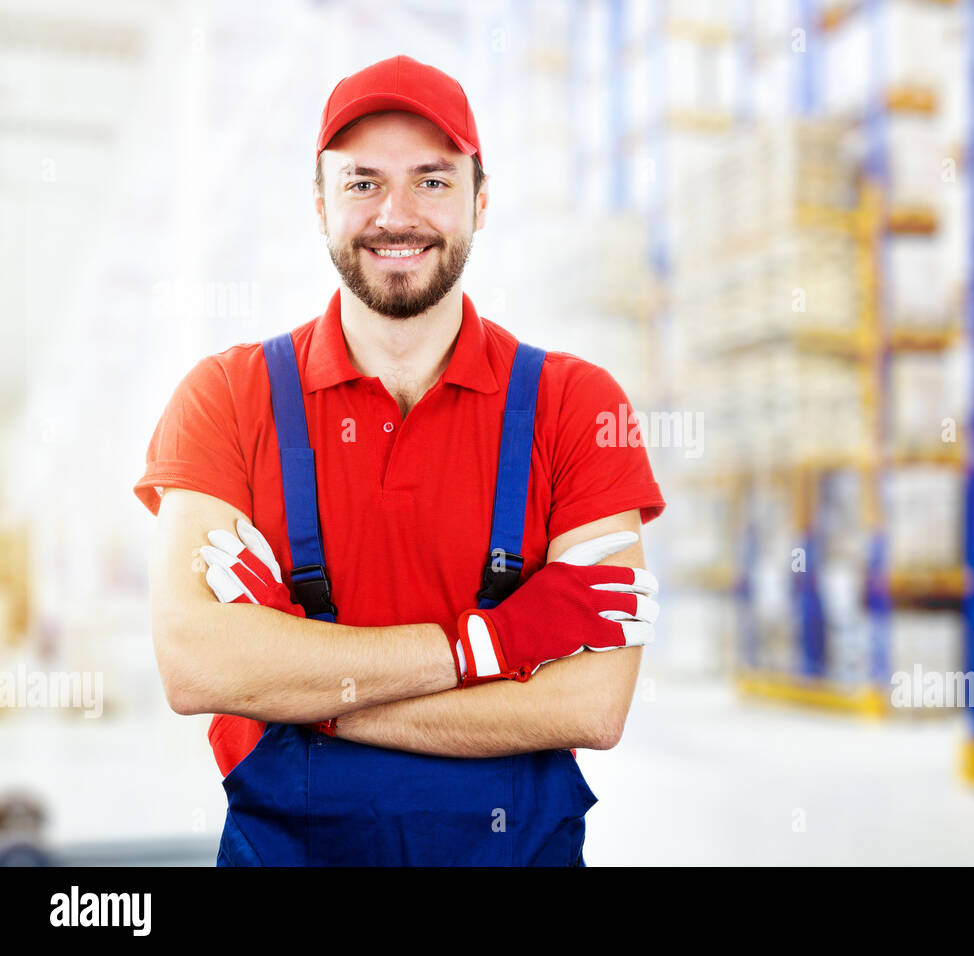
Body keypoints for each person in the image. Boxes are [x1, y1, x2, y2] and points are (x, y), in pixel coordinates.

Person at [133, 55, 666, 866]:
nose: (396, 213)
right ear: (319, 206)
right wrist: (488, 647)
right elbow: (194, 664)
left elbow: (592, 703)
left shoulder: (579, 407)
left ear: (481, 203)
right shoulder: (226, 399)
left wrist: (299, 692)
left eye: (432, 181)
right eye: (361, 184)